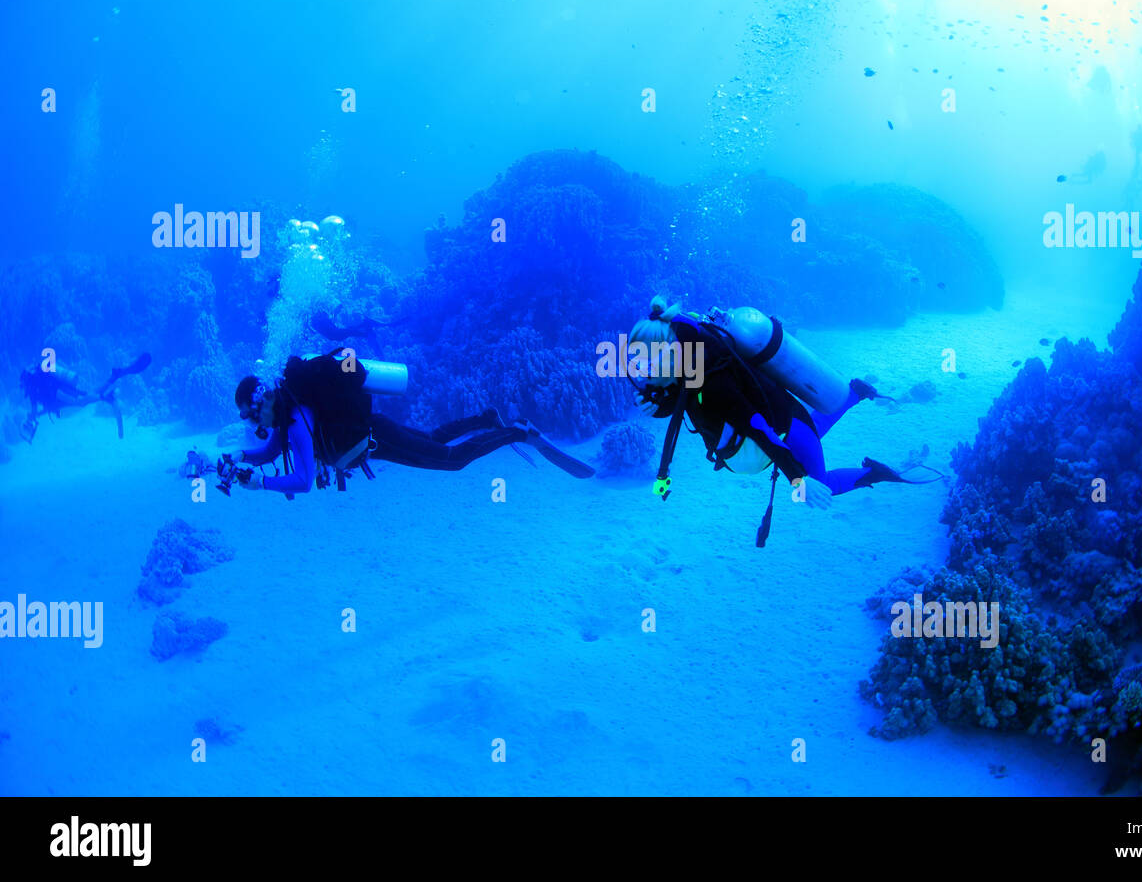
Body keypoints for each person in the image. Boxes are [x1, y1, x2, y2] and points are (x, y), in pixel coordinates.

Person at [627, 297, 939, 542]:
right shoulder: (688, 358)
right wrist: (659, 404)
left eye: (646, 367)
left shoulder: (712, 384)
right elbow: (681, 397)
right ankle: (853, 394)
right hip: (780, 430)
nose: (643, 376)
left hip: (784, 425)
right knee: (807, 440)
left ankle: (877, 474)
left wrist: (796, 479)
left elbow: (758, 426)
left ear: (666, 357)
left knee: (819, 485)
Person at [225, 356, 589, 497]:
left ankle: (518, 432)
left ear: (262, 403)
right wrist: (233, 457)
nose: (253, 423)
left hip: (374, 439)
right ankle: (485, 419)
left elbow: (302, 482)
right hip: (373, 434)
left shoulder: (297, 420)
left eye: (250, 414)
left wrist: (261, 483)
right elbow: (270, 451)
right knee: (433, 441)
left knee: (452, 461)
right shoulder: (287, 419)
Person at [17, 353, 150, 442]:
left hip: (59, 394)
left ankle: (105, 396)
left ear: (25, 382)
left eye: (22, 385)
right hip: (60, 392)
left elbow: (35, 408)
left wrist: (31, 417)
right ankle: (113, 378)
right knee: (87, 395)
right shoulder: (36, 384)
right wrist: (38, 414)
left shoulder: (32, 390)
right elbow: (47, 407)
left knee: (81, 402)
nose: (22, 387)